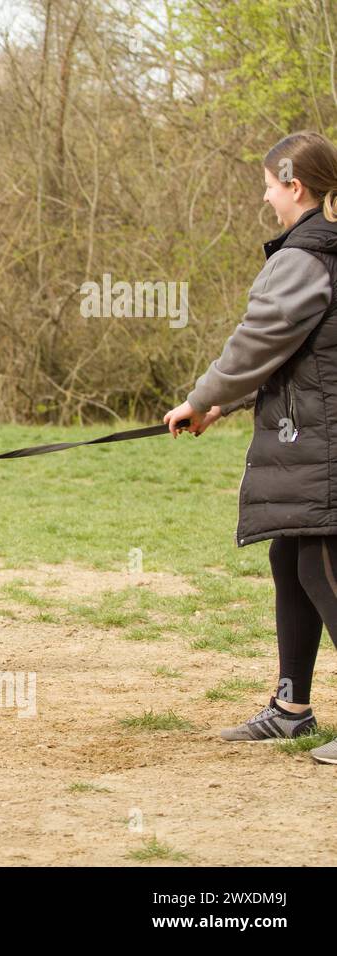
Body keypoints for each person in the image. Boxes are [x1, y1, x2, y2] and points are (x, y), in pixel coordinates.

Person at [163, 131, 337, 764]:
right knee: (292, 564)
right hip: (311, 441)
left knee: (320, 568)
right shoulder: (322, 252)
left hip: (323, 451)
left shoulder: (304, 257)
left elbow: (257, 340)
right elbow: (290, 357)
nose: (265, 197)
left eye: (269, 185)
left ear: (295, 186)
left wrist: (202, 395)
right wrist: (218, 406)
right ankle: (292, 710)